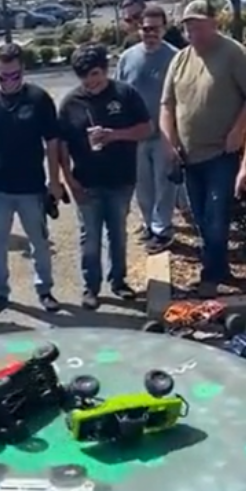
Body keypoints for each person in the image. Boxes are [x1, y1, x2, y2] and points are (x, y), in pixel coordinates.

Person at [0, 43, 61, 314]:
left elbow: (53, 142)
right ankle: (0, 292)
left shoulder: (39, 99)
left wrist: (54, 181)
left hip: (32, 187)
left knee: (39, 242)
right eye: (2, 76)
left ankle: (45, 290)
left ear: (23, 71)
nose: (9, 82)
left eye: (15, 76)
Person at [166, 0, 246, 298]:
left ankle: (210, 276)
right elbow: (167, 105)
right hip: (189, 155)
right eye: (189, 27)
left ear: (214, 24)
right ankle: (219, 268)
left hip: (221, 154)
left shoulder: (234, 54)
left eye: (199, 26)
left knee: (215, 216)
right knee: (201, 217)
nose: (193, 32)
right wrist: (170, 140)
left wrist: (239, 130)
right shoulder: (180, 59)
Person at [59, 44, 151, 309]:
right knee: (90, 238)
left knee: (118, 234)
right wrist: (68, 179)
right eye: (84, 76)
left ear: (106, 69)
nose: (91, 81)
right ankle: (91, 287)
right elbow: (61, 145)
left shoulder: (125, 94)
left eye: (95, 74)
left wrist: (114, 135)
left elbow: (147, 128)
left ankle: (119, 281)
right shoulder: (70, 103)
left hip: (121, 179)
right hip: (86, 182)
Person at [116, 5, 178, 254]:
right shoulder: (127, 58)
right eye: (146, 28)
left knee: (164, 185)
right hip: (135, 135)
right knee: (142, 186)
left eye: (155, 29)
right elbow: (119, 94)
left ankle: (163, 229)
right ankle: (149, 224)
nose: (150, 33)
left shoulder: (175, 57)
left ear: (164, 29)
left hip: (164, 135)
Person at [121, 0, 188, 49]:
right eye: (128, 20)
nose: (134, 22)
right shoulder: (129, 43)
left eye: (136, 16)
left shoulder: (170, 33)